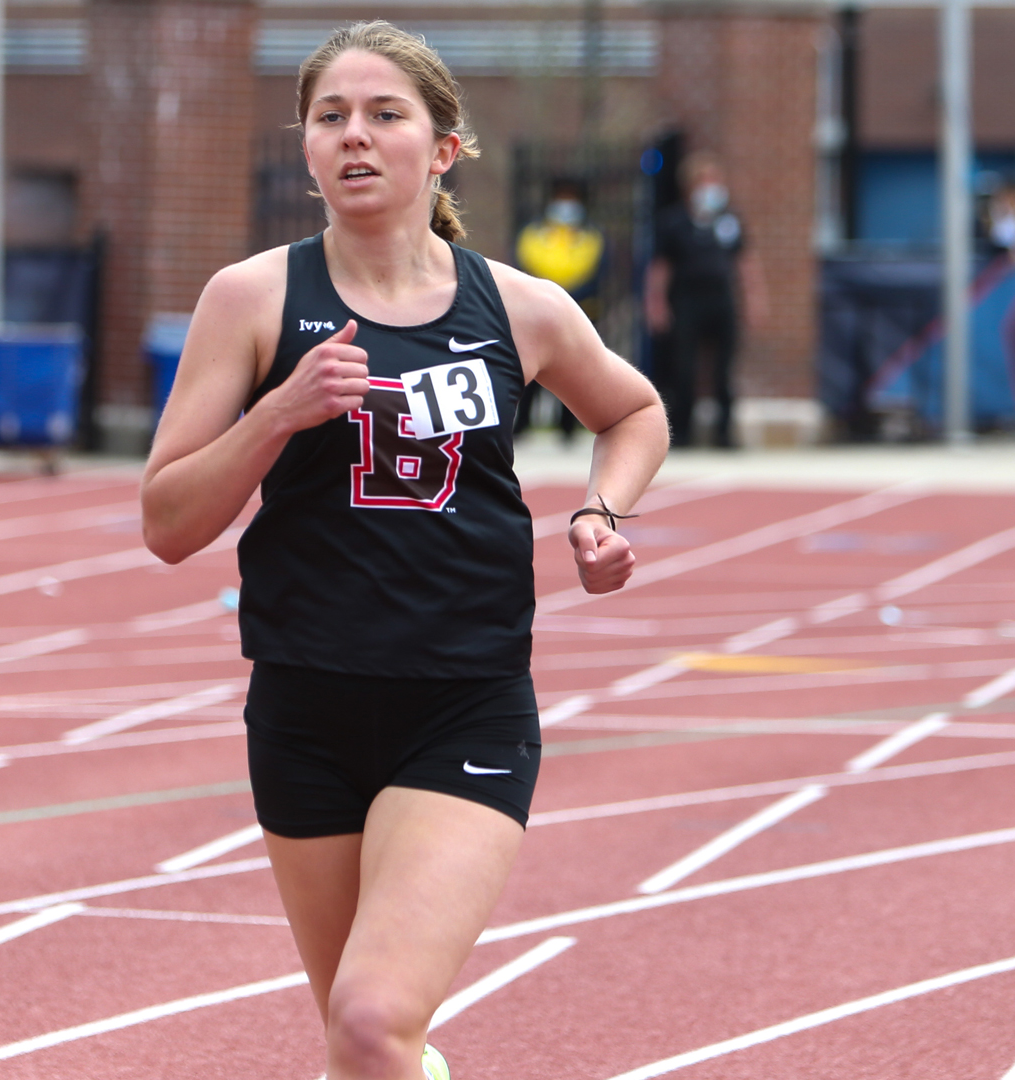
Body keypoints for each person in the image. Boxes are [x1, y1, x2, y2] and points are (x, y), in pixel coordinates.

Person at [140, 21, 668, 1080]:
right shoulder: (252, 300)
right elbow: (167, 524)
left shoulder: (519, 307)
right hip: (304, 705)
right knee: (364, 1046)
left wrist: (602, 513)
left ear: (443, 150)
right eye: (331, 117)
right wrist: (276, 415)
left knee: (374, 1019)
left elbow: (636, 409)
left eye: (386, 116)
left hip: (461, 701)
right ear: (305, 148)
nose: (356, 138)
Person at [645, 152, 766, 448]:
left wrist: (755, 298)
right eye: (705, 181)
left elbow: (745, 261)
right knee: (684, 368)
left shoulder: (729, 221)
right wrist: (656, 303)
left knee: (723, 370)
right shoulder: (674, 223)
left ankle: (724, 434)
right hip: (688, 301)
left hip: (721, 300)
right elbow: (661, 267)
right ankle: (683, 433)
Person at [513, 178, 604, 444]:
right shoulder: (534, 233)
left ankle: (568, 426)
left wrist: (564, 299)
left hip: (582, 310)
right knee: (531, 367)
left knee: (574, 371)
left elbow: (597, 271)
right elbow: (524, 265)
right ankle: (524, 422)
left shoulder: (590, 235)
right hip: (537, 313)